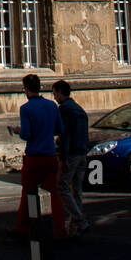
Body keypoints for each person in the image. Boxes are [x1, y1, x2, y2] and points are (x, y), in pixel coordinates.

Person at [15, 73, 66, 241]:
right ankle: (60, 230)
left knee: (28, 193)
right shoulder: (52, 106)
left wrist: (17, 131)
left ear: (26, 89)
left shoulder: (26, 108)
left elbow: (26, 134)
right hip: (51, 156)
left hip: (34, 157)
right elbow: (59, 129)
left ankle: (23, 229)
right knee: (54, 195)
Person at [52, 79, 90, 236]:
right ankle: (76, 226)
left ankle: (80, 220)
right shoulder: (80, 109)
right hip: (82, 153)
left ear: (60, 93)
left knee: (62, 187)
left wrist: (63, 158)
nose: (54, 97)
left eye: (55, 94)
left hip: (72, 154)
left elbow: (65, 135)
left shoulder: (64, 110)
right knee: (77, 190)